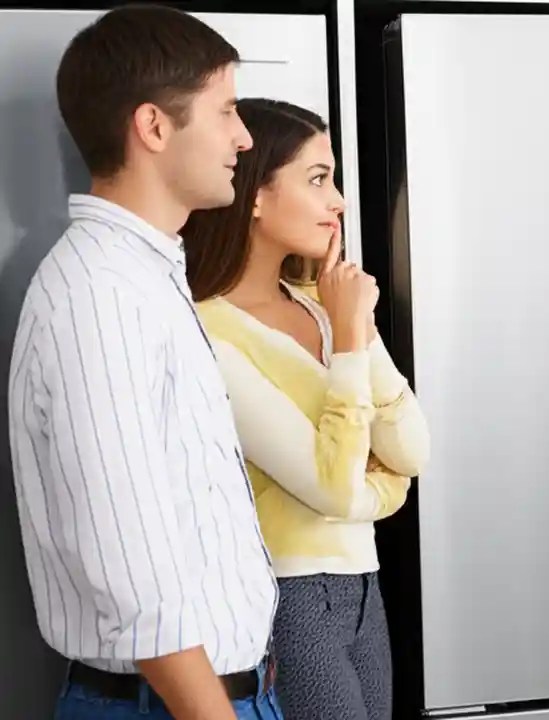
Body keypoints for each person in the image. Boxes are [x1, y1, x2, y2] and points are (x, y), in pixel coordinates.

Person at [6, 6, 282, 720]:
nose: (244, 137)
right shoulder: (101, 296)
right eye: (226, 111)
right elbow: (134, 580)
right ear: (154, 126)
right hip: (169, 707)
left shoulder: (141, 278)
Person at [179, 98, 430, 720]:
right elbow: (334, 487)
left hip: (365, 586)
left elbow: (412, 451)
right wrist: (350, 340)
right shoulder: (207, 331)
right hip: (287, 595)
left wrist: (352, 327)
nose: (338, 201)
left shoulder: (324, 304)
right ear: (255, 195)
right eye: (318, 179)